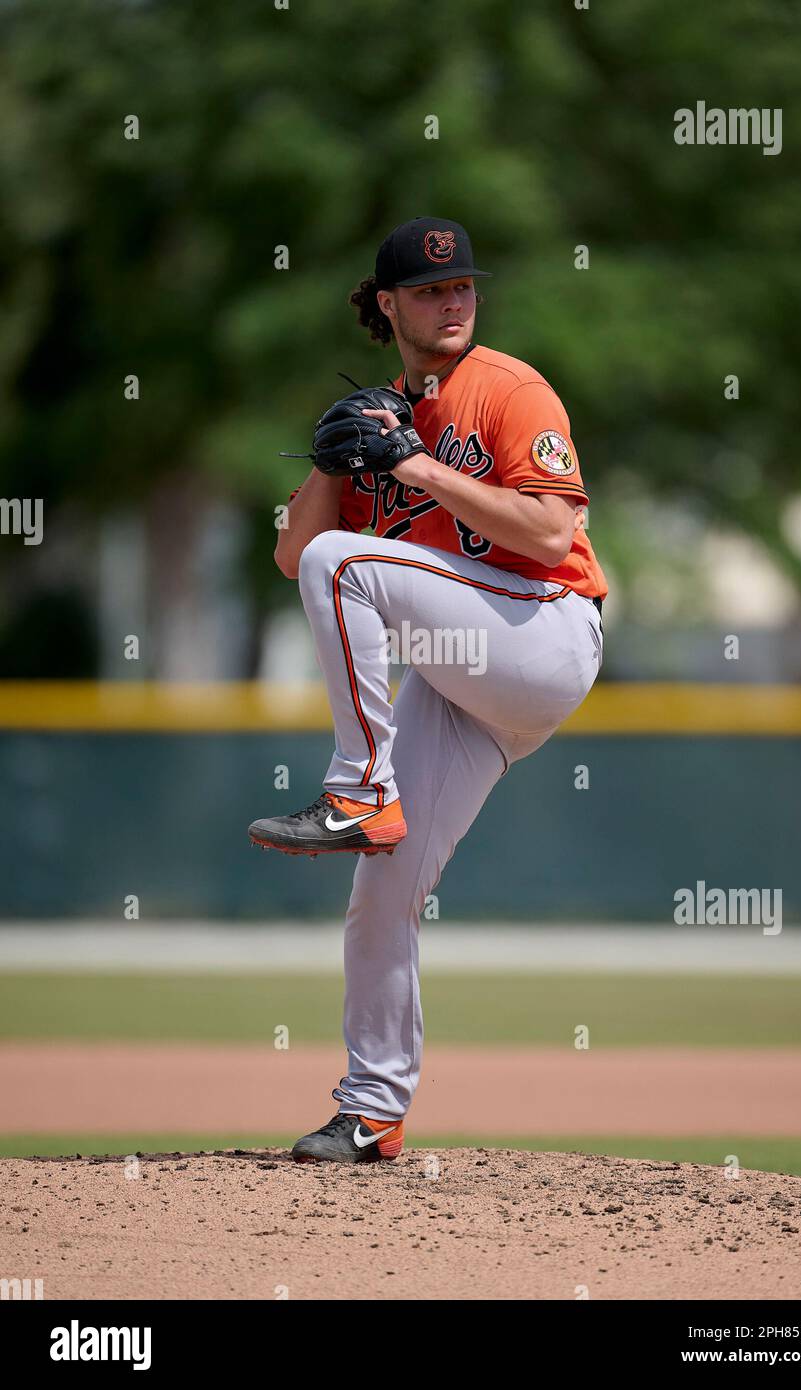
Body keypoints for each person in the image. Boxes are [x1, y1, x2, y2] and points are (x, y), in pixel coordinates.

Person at [248, 216, 607, 1163]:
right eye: (430, 290)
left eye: (463, 288)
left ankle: (362, 788)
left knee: (344, 564)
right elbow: (294, 556)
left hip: (544, 632)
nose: (453, 302)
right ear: (387, 305)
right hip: (464, 680)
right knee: (382, 891)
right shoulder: (375, 419)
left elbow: (543, 534)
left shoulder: (508, 389)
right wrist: (335, 462)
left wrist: (409, 463)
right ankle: (373, 1111)